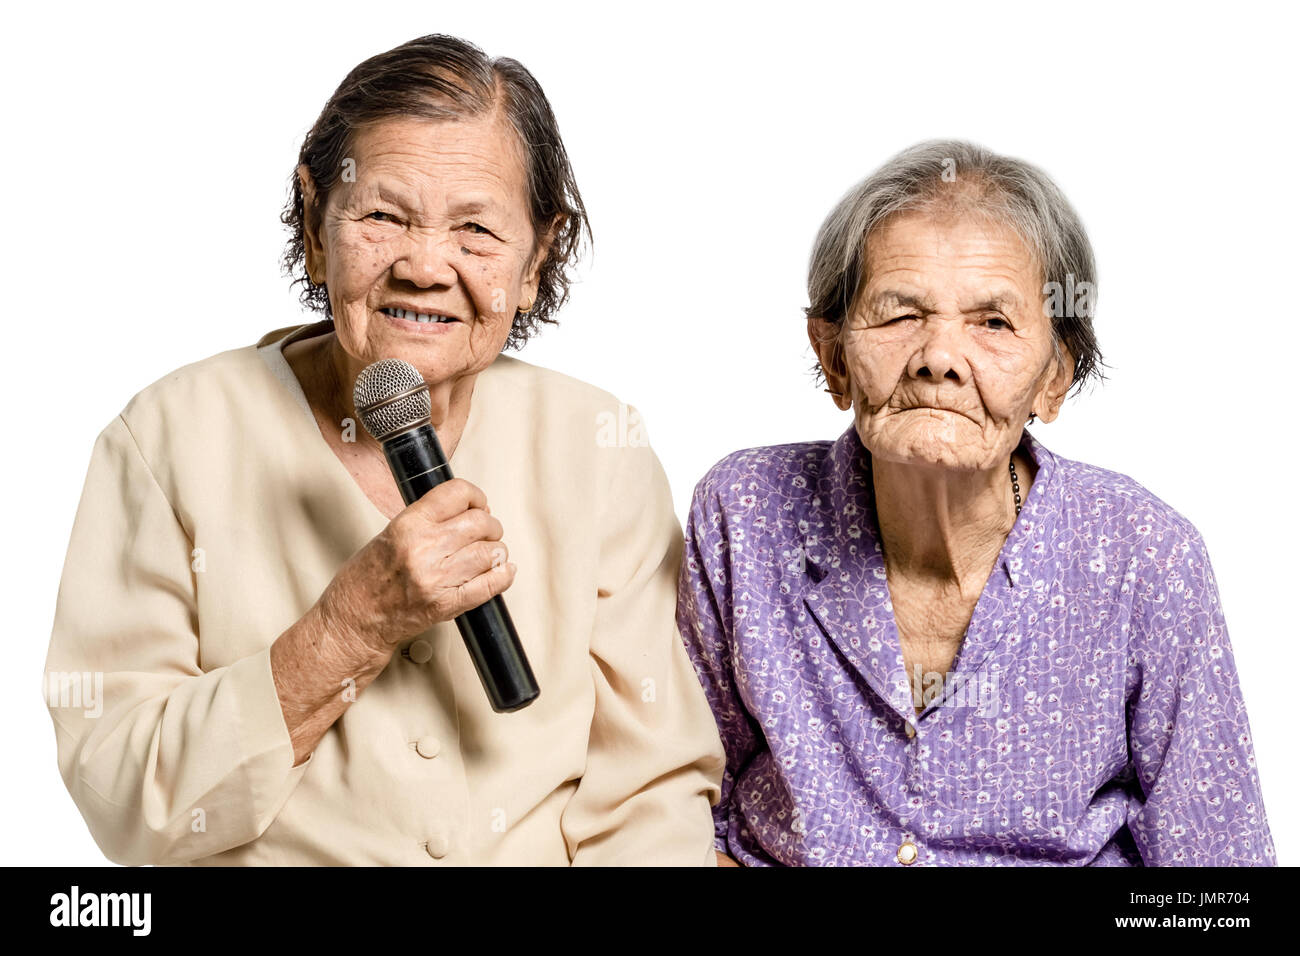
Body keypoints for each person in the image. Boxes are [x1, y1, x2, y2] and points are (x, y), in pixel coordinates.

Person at [44, 33, 724, 866]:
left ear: (538, 258)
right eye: (383, 217)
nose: (426, 266)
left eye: (477, 230)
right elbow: (122, 792)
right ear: (314, 223)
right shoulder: (167, 438)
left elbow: (651, 794)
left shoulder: (599, 445)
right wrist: (350, 624)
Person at [677, 140, 1275, 866]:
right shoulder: (745, 514)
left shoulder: (1145, 557)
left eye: (993, 323)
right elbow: (670, 797)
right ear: (833, 358)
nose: (939, 357)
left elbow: (1220, 889)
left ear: (1056, 377)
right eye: (901, 315)